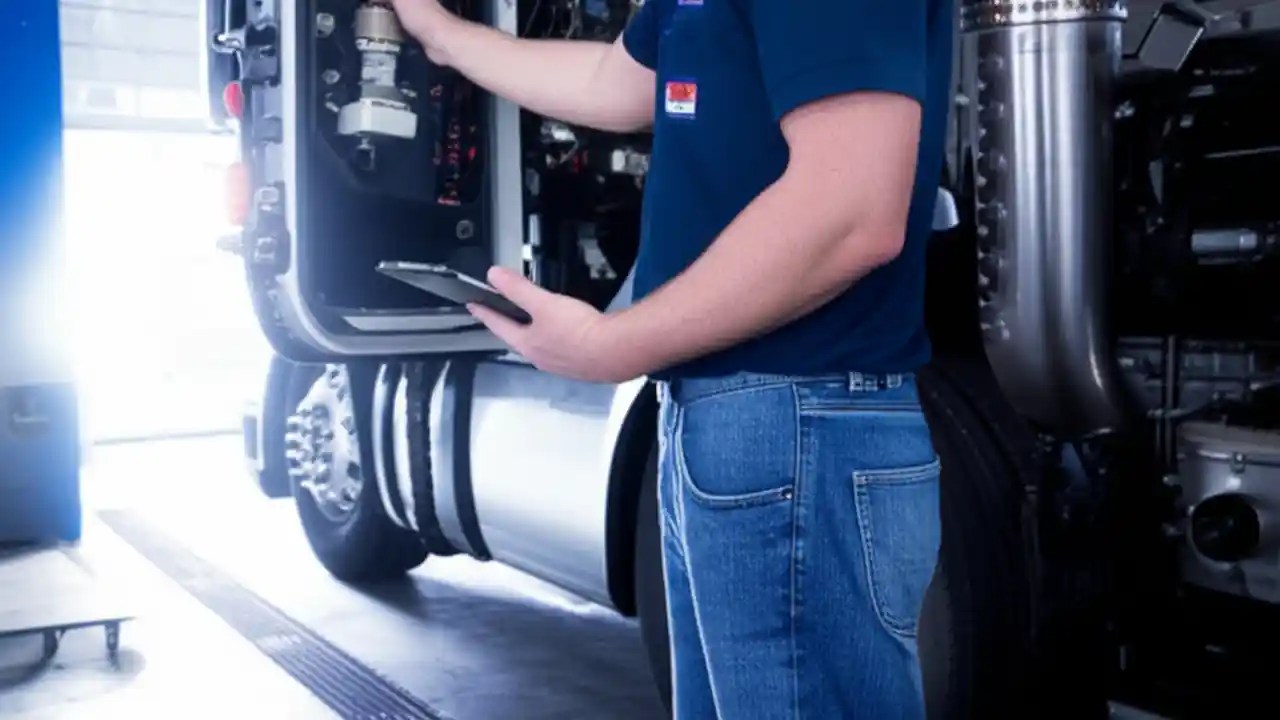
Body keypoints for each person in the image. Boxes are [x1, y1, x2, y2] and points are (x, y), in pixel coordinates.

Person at [390, 0, 952, 716]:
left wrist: (610, 344)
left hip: (800, 422)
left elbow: (852, 210)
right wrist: (444, 36)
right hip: (738, 425)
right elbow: (612, 80)